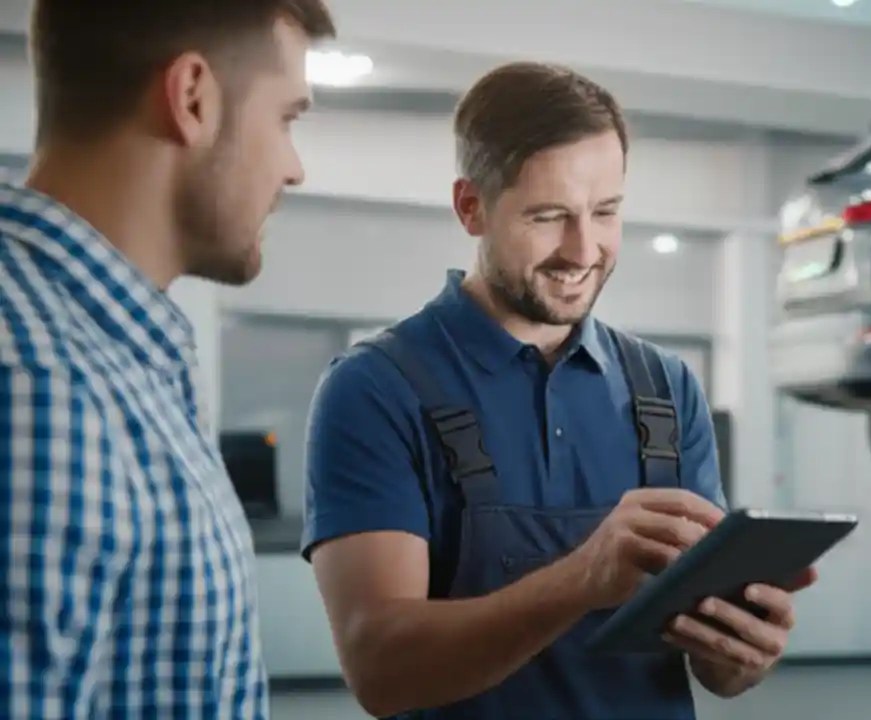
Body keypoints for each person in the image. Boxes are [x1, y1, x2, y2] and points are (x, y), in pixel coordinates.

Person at [302, 60, 818, 720]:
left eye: (605, 212)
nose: (583, 249)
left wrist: (741, 650)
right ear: (472, 207)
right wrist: (581, 578)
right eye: (548, 216)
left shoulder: (665, 390)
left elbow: (714, 674)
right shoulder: (375, 390)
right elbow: (381, 671)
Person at [0, 1, 335, 717]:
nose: (295, 168)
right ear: (192, 99)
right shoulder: (36, 384)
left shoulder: (127, 355)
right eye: (286, 120)